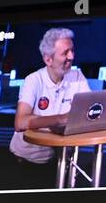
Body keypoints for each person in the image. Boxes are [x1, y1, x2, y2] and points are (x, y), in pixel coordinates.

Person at [9, 28, 90, 165]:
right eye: (65, 53)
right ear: (48, 60)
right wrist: (60, 119)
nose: (71, 56)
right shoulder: (33, 80)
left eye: (72, 50)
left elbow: (90, 109)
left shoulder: (77, 76)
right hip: (26, 161)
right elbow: (20, 122)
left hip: (58, 159)